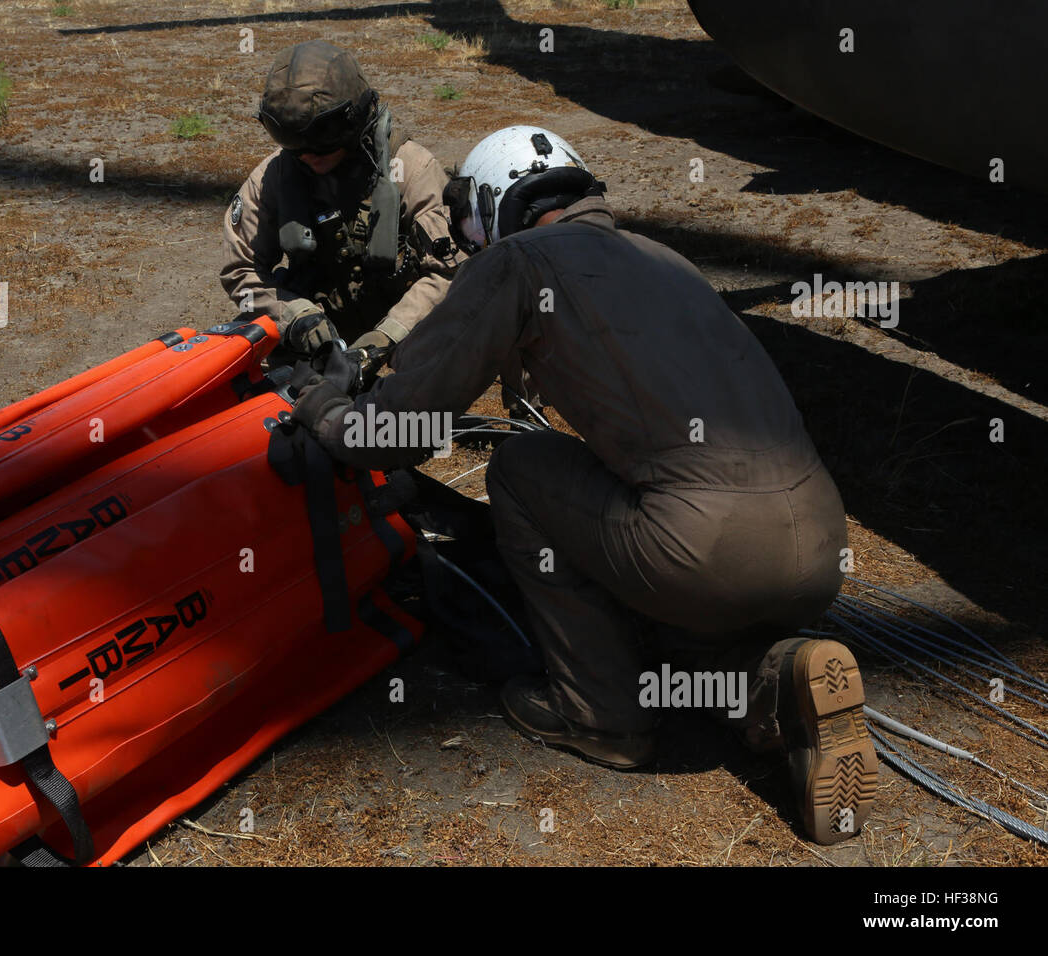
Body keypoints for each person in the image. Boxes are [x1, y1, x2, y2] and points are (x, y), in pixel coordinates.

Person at [289, 125, 878, 845]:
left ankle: (600, 715)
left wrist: (323, 406)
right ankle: (776, 680)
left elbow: (396, 434)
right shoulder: (666, 260)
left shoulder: (519, 260)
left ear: (496, 202)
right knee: (662, 583)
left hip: (701, 548)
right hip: (817, 551)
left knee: (525, 466)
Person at [221, 39, 463, 365]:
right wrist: (294, 315)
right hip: (316, 340)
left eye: (322, 134)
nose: (308, 153)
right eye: (291, 138)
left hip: (407, 339)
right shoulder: (274, 176)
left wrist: (389, 333)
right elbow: (241, 268)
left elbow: (450, 273)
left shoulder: (410, 170)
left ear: (356, 119)